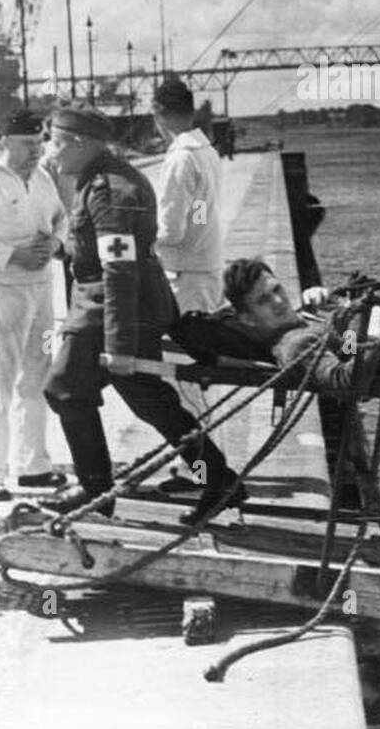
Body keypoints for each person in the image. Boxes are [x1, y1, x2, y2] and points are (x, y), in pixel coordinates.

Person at [43, 104, 237, 512]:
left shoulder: (109, 190)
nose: (51, 150)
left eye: (57, 142)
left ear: (80, 142)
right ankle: (217, 480)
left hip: (112, 310)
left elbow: (119, 270)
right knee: (150, 399)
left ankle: (96, 491)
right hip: (125, 306)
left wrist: (120, 344)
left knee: (65, 390)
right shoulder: (102, 178)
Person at [0, 110, 66, 500]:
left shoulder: (42, 177)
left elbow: (61, 220)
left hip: (42, 289)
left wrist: (54, 244)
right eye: (27, 144)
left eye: (40, 144)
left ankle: (33, 465)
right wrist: (12, 255)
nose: (36, 152)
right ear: (5, 142)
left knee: (38, 377)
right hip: (2, 290)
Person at [221, 257, 380, 395]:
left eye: (277, 289)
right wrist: (377, 330)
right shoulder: (295, 346)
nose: (278, 301)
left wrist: (338, 304)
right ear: (248, 319)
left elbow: (348, 350)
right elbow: (348, 383)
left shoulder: (300, 320)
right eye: (263, 300)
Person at [151, 80, 223, 312]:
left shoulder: (180, 158)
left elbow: (172, 231)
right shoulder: (206, 151)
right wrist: (195, 229)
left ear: (159, 113)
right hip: (207, 267)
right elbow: (199, 208)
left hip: (186, 277)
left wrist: (144, 239)